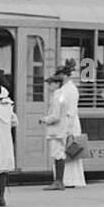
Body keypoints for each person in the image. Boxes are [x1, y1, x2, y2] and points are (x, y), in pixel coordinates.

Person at [41, 62, 85, 190]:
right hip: (68, 122)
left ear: (64, 75)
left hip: (65, 124)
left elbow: (61, 111)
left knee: (63, 152)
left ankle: (62, 180)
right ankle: (67, 179)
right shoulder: (70, 89)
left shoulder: (63, 92)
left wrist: (47, 120)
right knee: (69, 153)